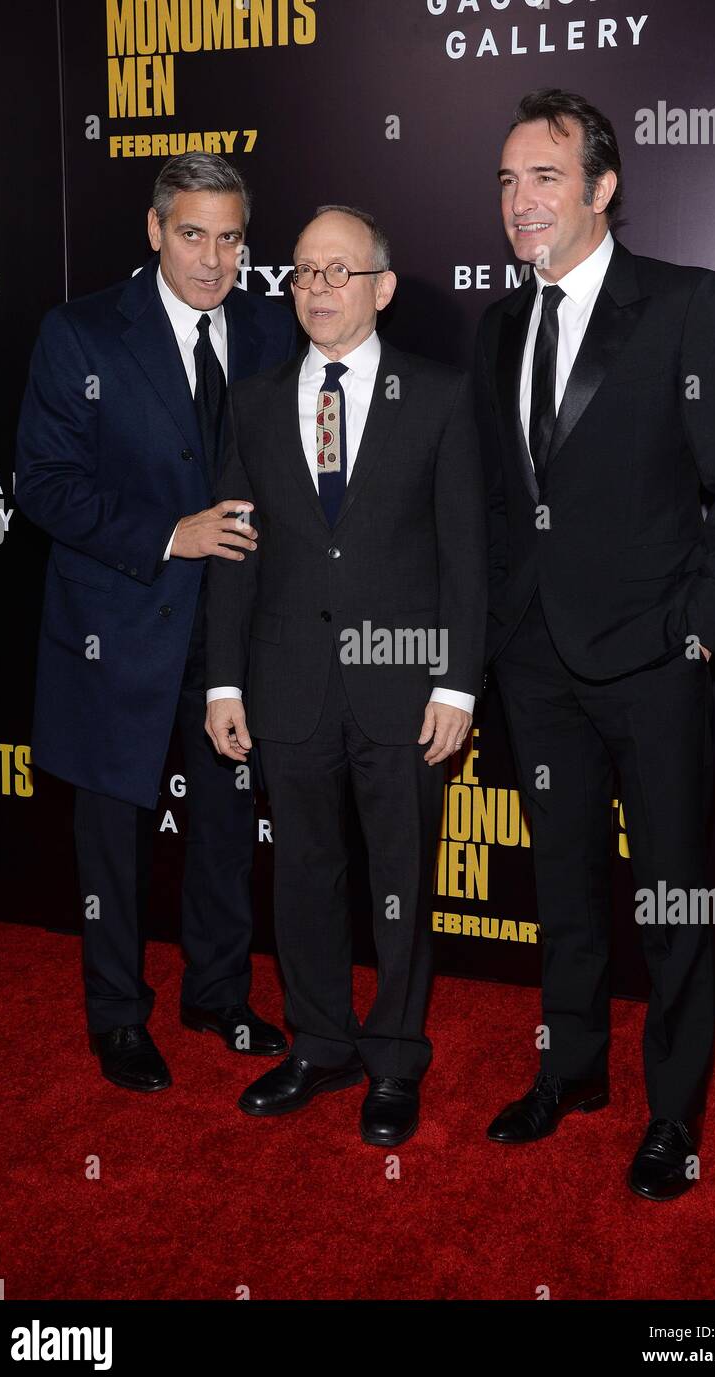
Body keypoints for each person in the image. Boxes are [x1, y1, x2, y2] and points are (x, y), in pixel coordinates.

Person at [475, 90, 715, 1199]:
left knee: (668, 898)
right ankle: (571, 1072)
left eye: (545, 177)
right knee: (562, 887)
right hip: (534, 666)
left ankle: (671, 1112)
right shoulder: (503, 322)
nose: (520, 202)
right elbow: (500, 503)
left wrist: (703, 630)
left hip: (653, 663)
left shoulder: (681, 304)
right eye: (507, 181)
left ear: (602, 187)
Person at [205, 206, 487, 1146]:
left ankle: (396, 1059)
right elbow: (235, 552)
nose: (317, 290)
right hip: (287, 684)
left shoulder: (442, 397)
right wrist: (223, 682)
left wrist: (456, 684)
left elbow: (467, 556)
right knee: (306, 877)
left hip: (404, 690)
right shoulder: (251, 400)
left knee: (401, 879)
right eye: (303, 274)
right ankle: (320, 1045)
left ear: (383, 288)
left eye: (338, 272)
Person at [15, 154, 295, 1092]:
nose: (212, 260)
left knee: (225, 825)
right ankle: (118, 1016)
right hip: (115, 632)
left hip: (230, 638)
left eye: (229, 238)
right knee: (113, 841)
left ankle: (218, 994)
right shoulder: (82, 332)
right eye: (191, 234)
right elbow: (45, 485)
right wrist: (168, 534)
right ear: (153, 230)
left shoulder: (269, 327)